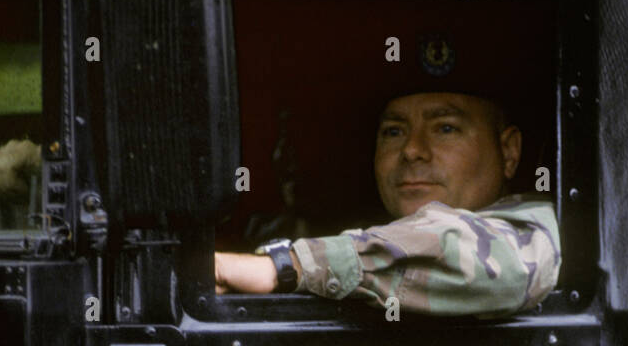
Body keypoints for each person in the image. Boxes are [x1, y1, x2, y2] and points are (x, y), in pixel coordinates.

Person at [214, 89, 560, 317]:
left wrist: (286, 267)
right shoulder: (363, 230)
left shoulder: (530, 229)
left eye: (446, 129)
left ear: (509, 152)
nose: (412, 150)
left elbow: (491, 259)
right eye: (394, 131)